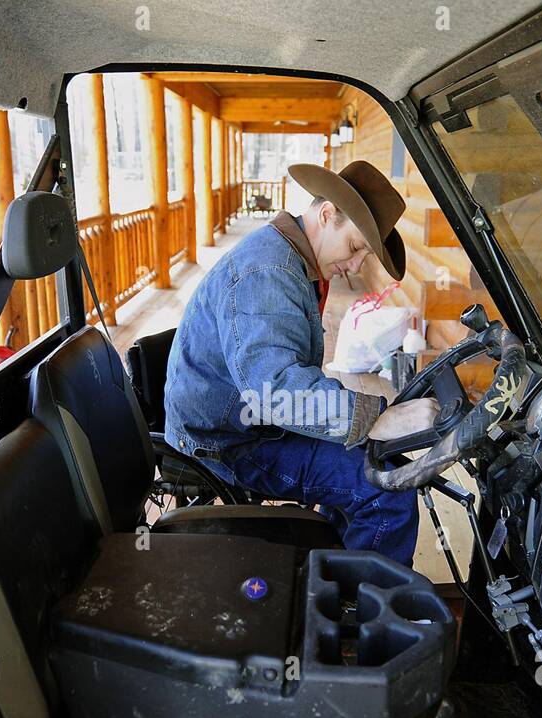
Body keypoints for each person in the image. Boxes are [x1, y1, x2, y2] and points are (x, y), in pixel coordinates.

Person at [163, 160, 438, 566]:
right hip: (227, 440)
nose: (357, 264)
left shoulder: (289, 257)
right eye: (357, 247)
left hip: (247, 420)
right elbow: (274, 394)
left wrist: (369, 421)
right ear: (327, 215)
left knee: (370, 460)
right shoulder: (267, 271)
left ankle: (329, 575)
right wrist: (377, 419)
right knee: (388, 487)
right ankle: (366, 619)